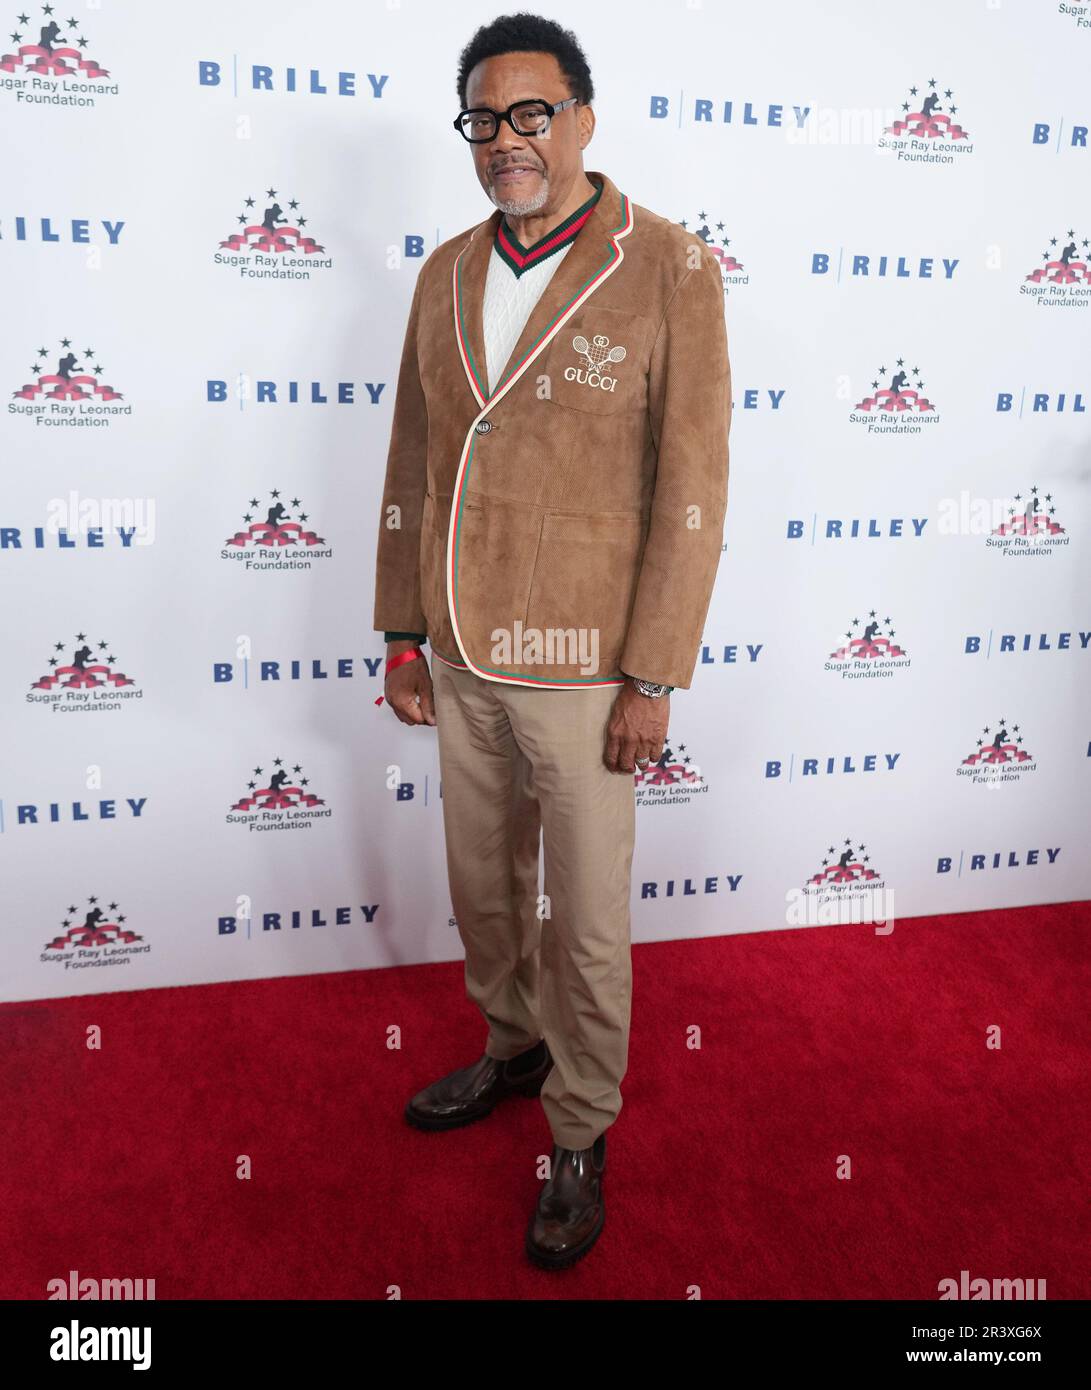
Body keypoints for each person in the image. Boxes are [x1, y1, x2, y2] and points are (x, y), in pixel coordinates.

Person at [373, 11, 732, 1270]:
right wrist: (403, 630)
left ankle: (577, 1126)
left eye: (531, 113)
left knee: (582, 915)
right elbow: (415, 457)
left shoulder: (670, 267)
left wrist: (654, 672)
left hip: (587, 665)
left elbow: (693, 480)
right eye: (484, 119)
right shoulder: (442, 273)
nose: (506, 139)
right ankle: (511, 1045)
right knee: (481, 887)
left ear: (581, 115)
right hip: (461, 652)